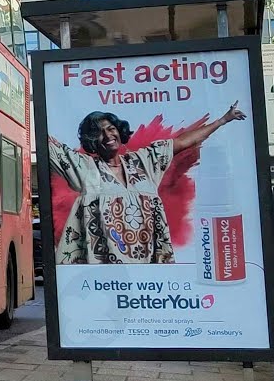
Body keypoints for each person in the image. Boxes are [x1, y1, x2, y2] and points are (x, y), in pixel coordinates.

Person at [50, 102, 246, 264]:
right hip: (105, 272)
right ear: (92, 140)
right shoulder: (85, 167)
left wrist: (222, 120)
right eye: (100, 132)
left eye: (111, 129)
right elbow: (50, 147)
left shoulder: (145, 161)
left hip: (150, 270)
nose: (109, 135)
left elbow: (182, 142)